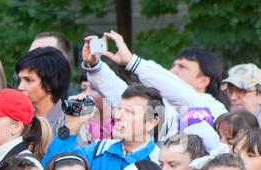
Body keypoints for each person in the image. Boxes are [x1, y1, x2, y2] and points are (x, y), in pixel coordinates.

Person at [81, 32, 225, 141]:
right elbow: (126, 97)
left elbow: (183, 94)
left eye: (182, 67)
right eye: (173, 65)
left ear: (203, 81)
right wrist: (95, 66)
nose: (172, 71)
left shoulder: (215, 109)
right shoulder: (167, 108)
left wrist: (132, 61)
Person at [51, 84, 163, 170]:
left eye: (129, 112)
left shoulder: (161, 164)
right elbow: (52, 169)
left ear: (151, 123)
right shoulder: (99, 149)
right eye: (119, 109)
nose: (118, 116)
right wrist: (71, 126)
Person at [16, 46, 73, 137]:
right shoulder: (20, 120)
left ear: (50, 84)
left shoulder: (70, 123)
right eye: (20, 80)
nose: (20, 87)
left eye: (29, 80)